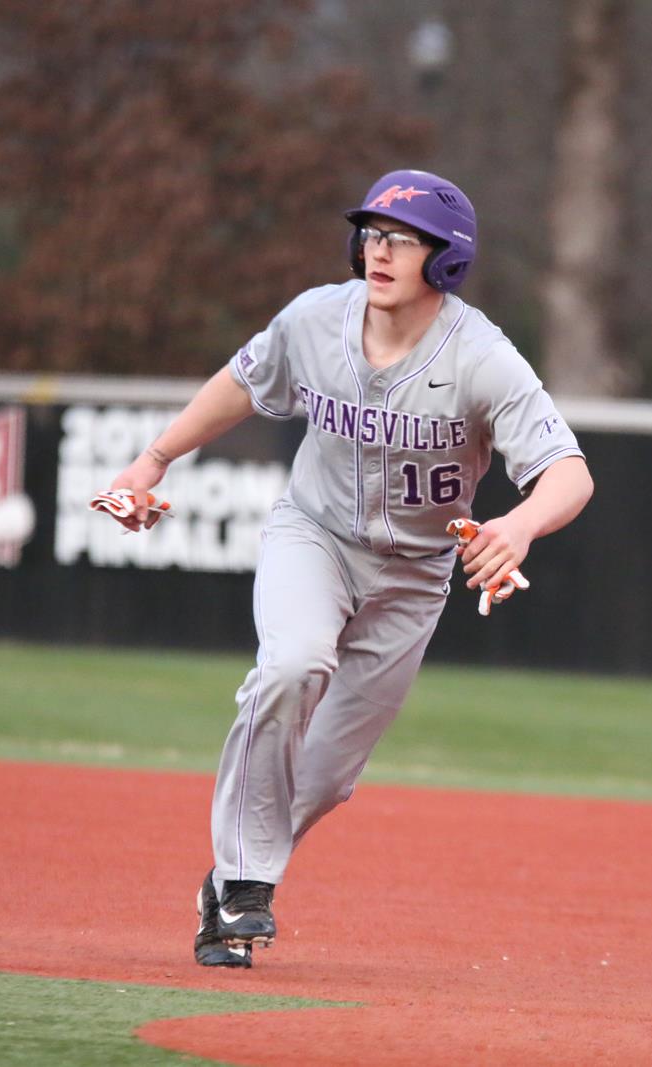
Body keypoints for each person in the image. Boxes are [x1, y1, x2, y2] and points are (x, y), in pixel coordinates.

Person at [99, 168, 594, 968]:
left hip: (416, 576)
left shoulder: (480, 357)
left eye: (402, 238)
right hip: (315, 536)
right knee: (293, 664)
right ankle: (248, 881)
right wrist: (153, 458)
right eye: (372, 233)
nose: (380, 249)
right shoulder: (315, 319)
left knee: (325, 776)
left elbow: (569, 470)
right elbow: (242, 383)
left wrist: (520, 522)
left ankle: (223, 885)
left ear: (448, 258)